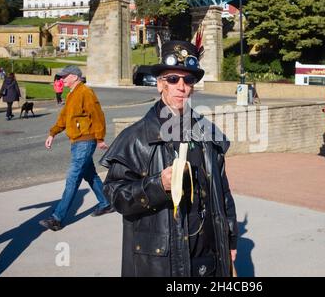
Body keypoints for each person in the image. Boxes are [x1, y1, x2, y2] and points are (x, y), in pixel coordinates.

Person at [99, 40, 238, 277]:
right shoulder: (135, 138)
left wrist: (230, 237)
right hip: (163, 261)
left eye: (188, 80)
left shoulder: (208, 132)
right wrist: (156, 185)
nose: (181, 86)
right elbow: (115, 195)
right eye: (173, 79)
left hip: (208, 256)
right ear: (160, 84)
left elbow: (222, 191)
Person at [39, 65, 115, 232]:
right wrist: (52, 133)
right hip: (77, 141)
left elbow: (97, 115)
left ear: (74, 76)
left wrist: (100, 138)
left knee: (73, 178)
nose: (62, 79)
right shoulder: (72, 94)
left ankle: (57, 218)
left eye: (65, 76)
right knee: (90, 175)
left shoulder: (85, 92)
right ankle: (106, 203)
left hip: (85, 141)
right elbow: (64, 117)